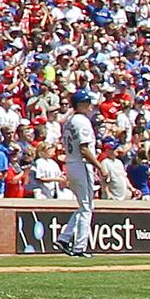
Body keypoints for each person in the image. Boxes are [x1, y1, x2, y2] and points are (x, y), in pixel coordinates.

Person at [58, 90, 101, 258]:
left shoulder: (69, 121)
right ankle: (79, 247)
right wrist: (100, 167)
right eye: (88, 102)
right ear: (82, 104)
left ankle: (64, 237)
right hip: (80, 164)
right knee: (86, 208)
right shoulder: (82, 121)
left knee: (86, 206)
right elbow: (84, 149)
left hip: (71, 163)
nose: (90, 106)